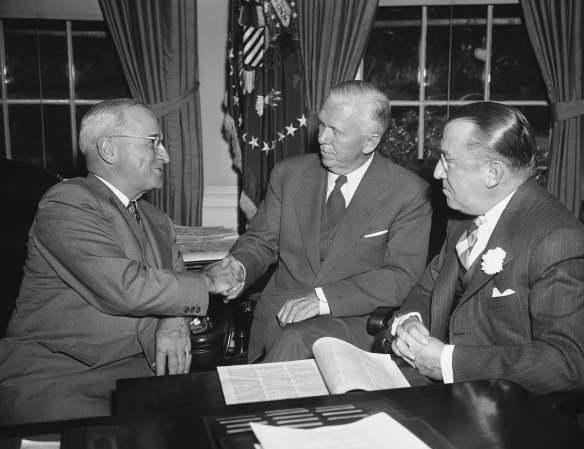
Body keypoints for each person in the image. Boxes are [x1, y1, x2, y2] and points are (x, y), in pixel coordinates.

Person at [0, 99, 238, 424]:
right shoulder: (67, 203)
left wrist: (174, 321)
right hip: (62, 379)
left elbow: (178, 288)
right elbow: (125, 287)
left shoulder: (158, 220)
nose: (165, 155)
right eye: (153, 143)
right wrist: (210, 281)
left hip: (139, 377)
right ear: (109, 150)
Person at [209, 80, 432, 363]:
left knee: (293, 346)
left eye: (335, 131)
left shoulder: (409, 193)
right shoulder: (288, 175)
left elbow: (401, 276)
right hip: (277, 321)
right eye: (323, 125)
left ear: (370, 142)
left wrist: (322, 299)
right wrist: (239, 268)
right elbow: (260, 242)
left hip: (351, 326)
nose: (322, 138)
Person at [387, 101, 584, 395]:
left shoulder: (558, 239)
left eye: (448, 160)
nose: (438, 172)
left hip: (511, 407)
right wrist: (412, 322)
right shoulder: (463, 215)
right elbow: (427, 288)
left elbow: (568, 364)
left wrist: (447, 363)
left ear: (493, 173)